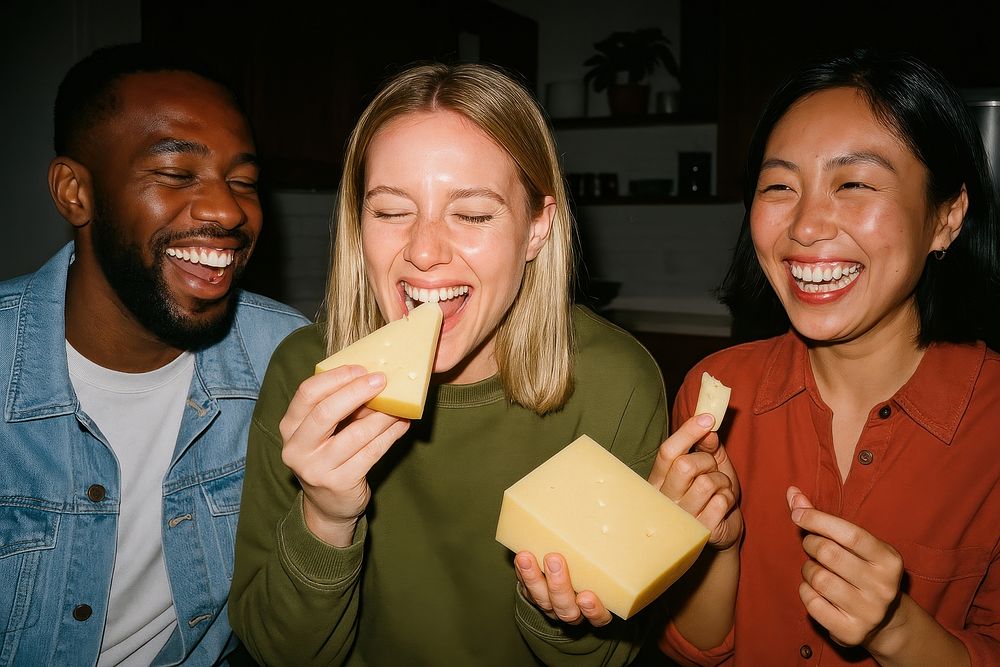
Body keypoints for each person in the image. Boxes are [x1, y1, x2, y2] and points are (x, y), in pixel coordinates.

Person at [228, 61, 679, 665]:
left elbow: (608, 657)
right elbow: (276, 652)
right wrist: (324, 516)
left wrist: (554, 608)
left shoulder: (614, 382)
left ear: (539, 227)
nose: (422, 250)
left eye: (471, 214)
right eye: (390, 211)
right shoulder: (305, 372)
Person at [655, 49, 1000, 665]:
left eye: (855, 184)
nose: (807, 225)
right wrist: (716, 546)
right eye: (780, 186)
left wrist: (897, 629)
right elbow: (695, 651)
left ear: (946, 218)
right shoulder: (714, 392)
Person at [0, 43, 310, 665]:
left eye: (244, 181)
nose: (228, 209)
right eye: (174, 174)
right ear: (73, 192)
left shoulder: (285, 357)